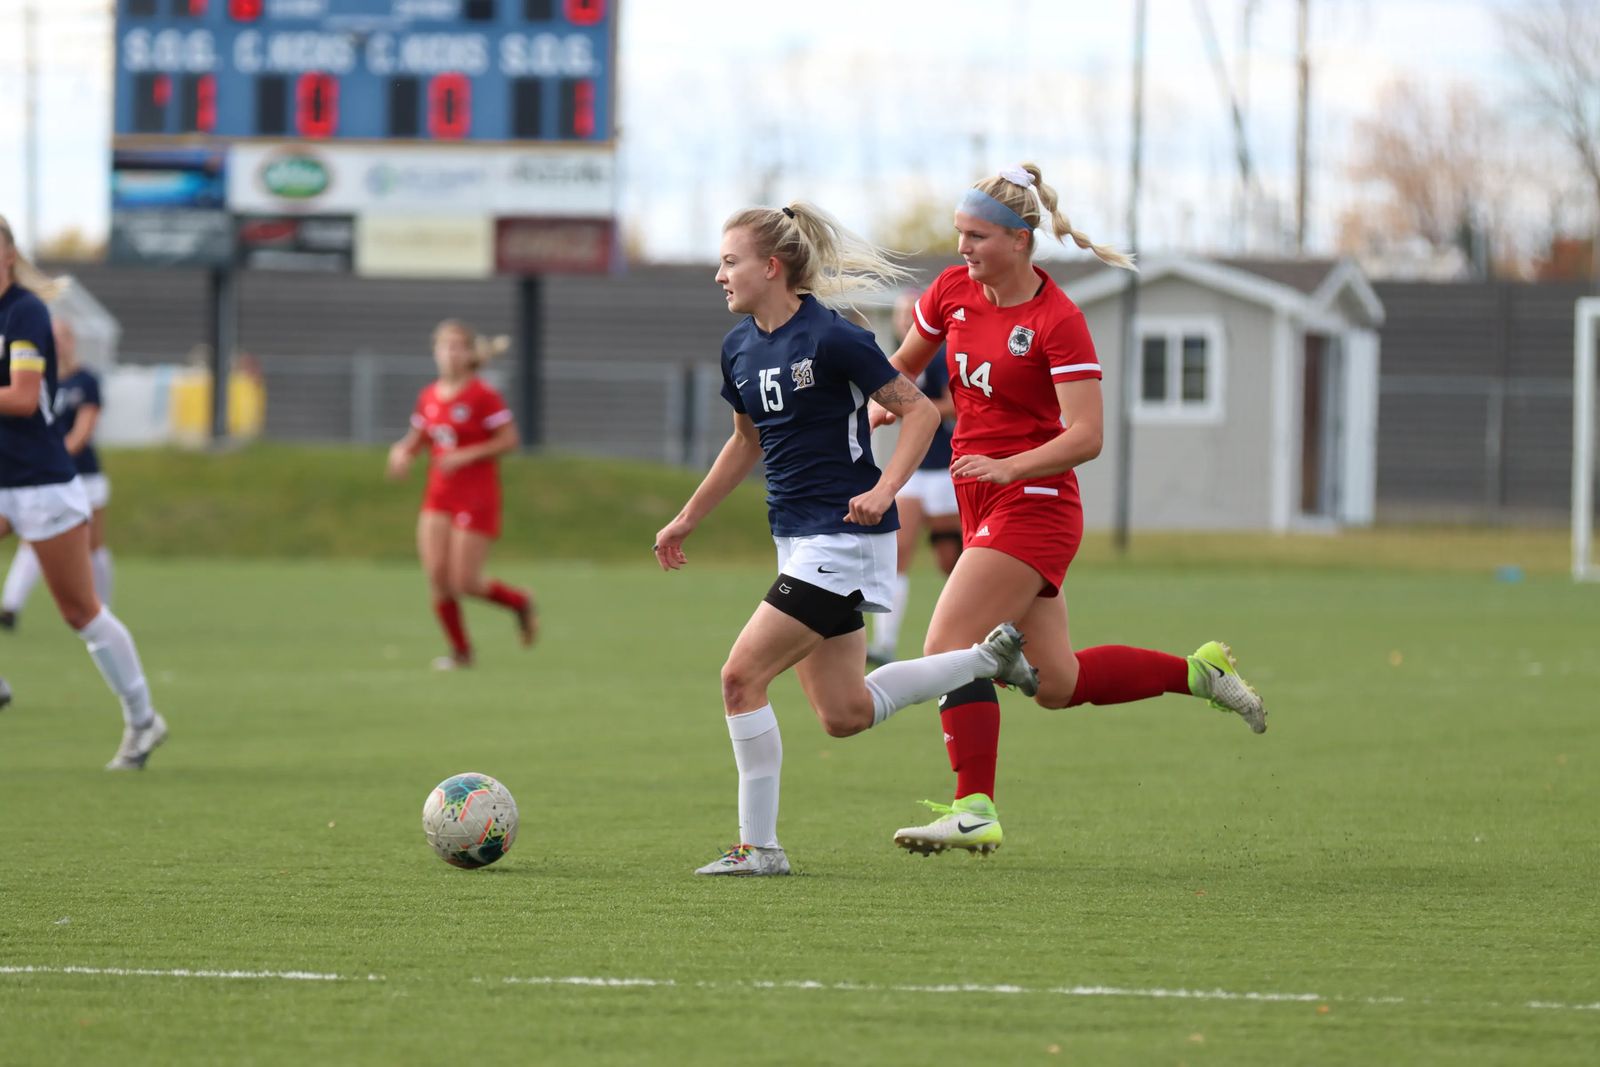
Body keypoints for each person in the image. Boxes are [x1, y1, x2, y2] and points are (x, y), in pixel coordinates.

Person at [873, 164, 1267, 857]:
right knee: (1059, 682)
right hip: (981, 496)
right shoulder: (953, 292)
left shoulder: (1057, 320)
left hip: (1036, 502)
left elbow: (1087, 435)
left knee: (947, 646)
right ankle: (1200, 673)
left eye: (978, 236)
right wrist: (880, 404)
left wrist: (1011, 465)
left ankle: (973, 807)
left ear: (1022, 240)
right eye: (959, 233)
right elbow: (905, 366)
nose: (963, 248)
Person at [652, 201, 1038, 878]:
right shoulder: (739, 347)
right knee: (845, 713)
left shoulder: (833, 338)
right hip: (796, 540)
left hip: (846, 538)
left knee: (740, 678)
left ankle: (761, 848)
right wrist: (689, 516)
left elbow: (917, 412)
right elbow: (745, 443)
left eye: (730, 261)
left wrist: (885, 489)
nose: (720, 274)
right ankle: (985, 660)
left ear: (771, 267)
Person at [0, 214, 167, 769]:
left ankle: (144, 721)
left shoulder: (24, 311)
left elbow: (23, 399)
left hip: (41, 481)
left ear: (8, 254)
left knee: (81, 612)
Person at [387, 320, 536, 670]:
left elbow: (510, 440)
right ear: (435, 352)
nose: (450, 354)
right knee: (437, 578)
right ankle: (461, 652)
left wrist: (466, 455)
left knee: (465, 581)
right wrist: (401, 453)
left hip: (476, 495)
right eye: (444, 346)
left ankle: (520, 602)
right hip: (439, 495)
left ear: (469, 354)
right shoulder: (429, 396)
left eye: (457, 347)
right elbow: (419, 438)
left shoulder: (483, 395)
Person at [866, 289, 961, 667]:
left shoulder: (938, 357)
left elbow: (956, 405)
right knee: (896, 555)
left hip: (949, 471)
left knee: (951, 562)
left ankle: (978, 635)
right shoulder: (894, 362)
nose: (906, 319)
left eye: (912, 312)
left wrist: (916, 409)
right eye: (901, 313)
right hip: (916, 474)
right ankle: (885, 644)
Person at [1, 316, 113, 626]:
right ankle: (10, 606)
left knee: (92, 545)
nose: (57, 342)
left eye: (62, 336)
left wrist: (50, 457)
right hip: (40, 480)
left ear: (71, 341)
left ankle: (102, 607)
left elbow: (83, 430)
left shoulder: (85, 381)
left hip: (82, 476)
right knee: (31, 541)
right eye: (52, 337)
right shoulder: (33, 380)